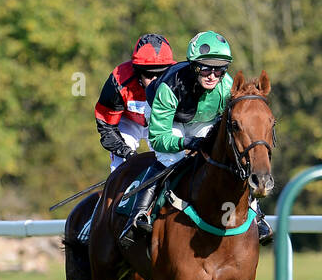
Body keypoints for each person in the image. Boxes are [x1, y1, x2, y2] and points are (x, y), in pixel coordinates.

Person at [118, 31, 273, 250]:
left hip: (202, 119)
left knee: (234, 160)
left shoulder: (225, 86)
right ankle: (139, 215)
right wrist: (186, 143)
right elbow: (160, 139)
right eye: (206, 68)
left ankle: (257, 215)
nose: (212, 75)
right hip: (168, 119)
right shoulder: (168, 89)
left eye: (219, 69)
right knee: (171, 160)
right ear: (194, 65)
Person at [95, 33, 176, 171]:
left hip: (162, 121)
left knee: (172, 160)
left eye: (161, 74)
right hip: (129, 123)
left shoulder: (177, 78)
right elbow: (106, 126)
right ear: (138, 72)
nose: (155, 80)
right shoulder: (119, 81)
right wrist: (127, 153)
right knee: (122, 165)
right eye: (149, 75)